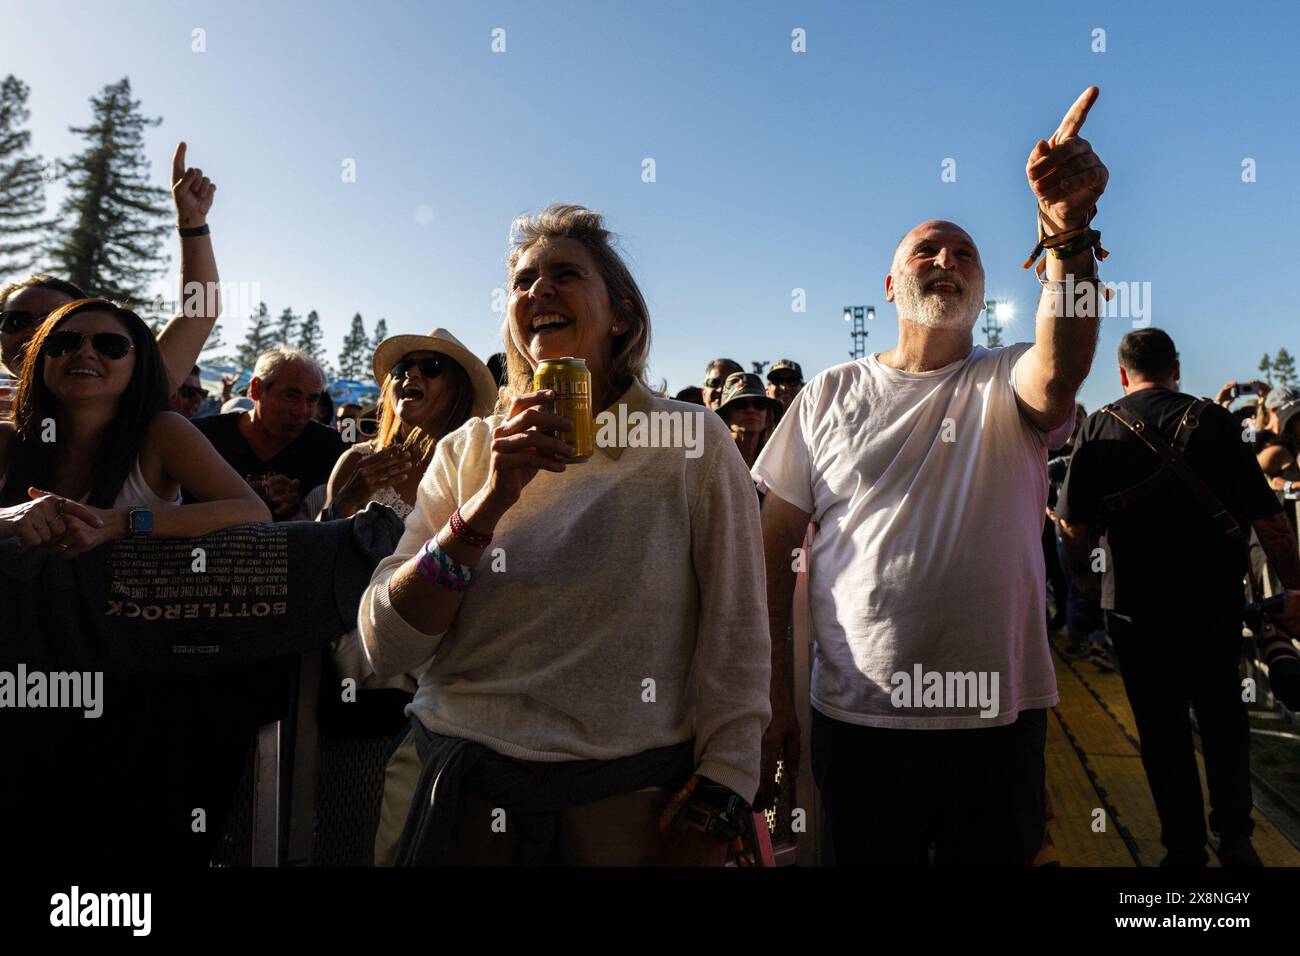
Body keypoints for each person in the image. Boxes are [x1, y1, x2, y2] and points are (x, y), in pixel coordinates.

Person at [754, 88, 1110, 866]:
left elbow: (1064, 367)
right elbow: (772, 550)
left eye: (964, 254)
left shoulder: (1009, 378)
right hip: (858, 719)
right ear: (890, 287)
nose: (947, 260)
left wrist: (1068, 235)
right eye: (927, 250)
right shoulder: (828, 393)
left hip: (999, 718)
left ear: (982, 290)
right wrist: (774, 694)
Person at [358, 204, 769, 866]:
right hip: (455, 790)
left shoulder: (690, 439)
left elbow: (737, 634)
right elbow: (387, 644)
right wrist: (487, 504)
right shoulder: (469, 449)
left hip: (625, 801)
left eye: (565, 274)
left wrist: (724, 789)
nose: (537, 291)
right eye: (522, 281)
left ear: (623, 314)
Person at [1057, 328, 1300, 868]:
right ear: (1178, 368)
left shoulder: (1099, 426)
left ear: (1122, 375)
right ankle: (1237, 838)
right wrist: (1296, 586)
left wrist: (1085, 584)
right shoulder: (1214, 422)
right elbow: (1271, 521)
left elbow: (1073, 526)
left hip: (1134, 610)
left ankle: (1183, 850)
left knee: (1162, 728)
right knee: (1223, 718)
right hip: (1213, 603)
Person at [0, 298, 269, 549]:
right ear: (40, 358)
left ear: (138, 365)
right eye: (63, 342)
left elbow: (252, 511)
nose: (84, 353)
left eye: (110, 345)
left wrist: (120, 522)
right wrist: (8, 519)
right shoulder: (7, 438)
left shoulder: (162, 433)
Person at [0, 142, 222, 394]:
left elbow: (201, 308)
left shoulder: (126, 398)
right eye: (16, 321)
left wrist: (192, 221)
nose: (33, 332)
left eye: (53, 322)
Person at [191, 347, 345, 520]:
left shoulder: (331, 449)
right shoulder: (201, 437)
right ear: (256, 389)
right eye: (291, 395)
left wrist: (304, 508)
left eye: (312, 399)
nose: (302, 410)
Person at [715, 371, 781, 471]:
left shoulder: (779, 460)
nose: (751, 410)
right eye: (740, 404)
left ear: (767, 417)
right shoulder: (713, 458)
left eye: (759, 404)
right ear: (726, 417)